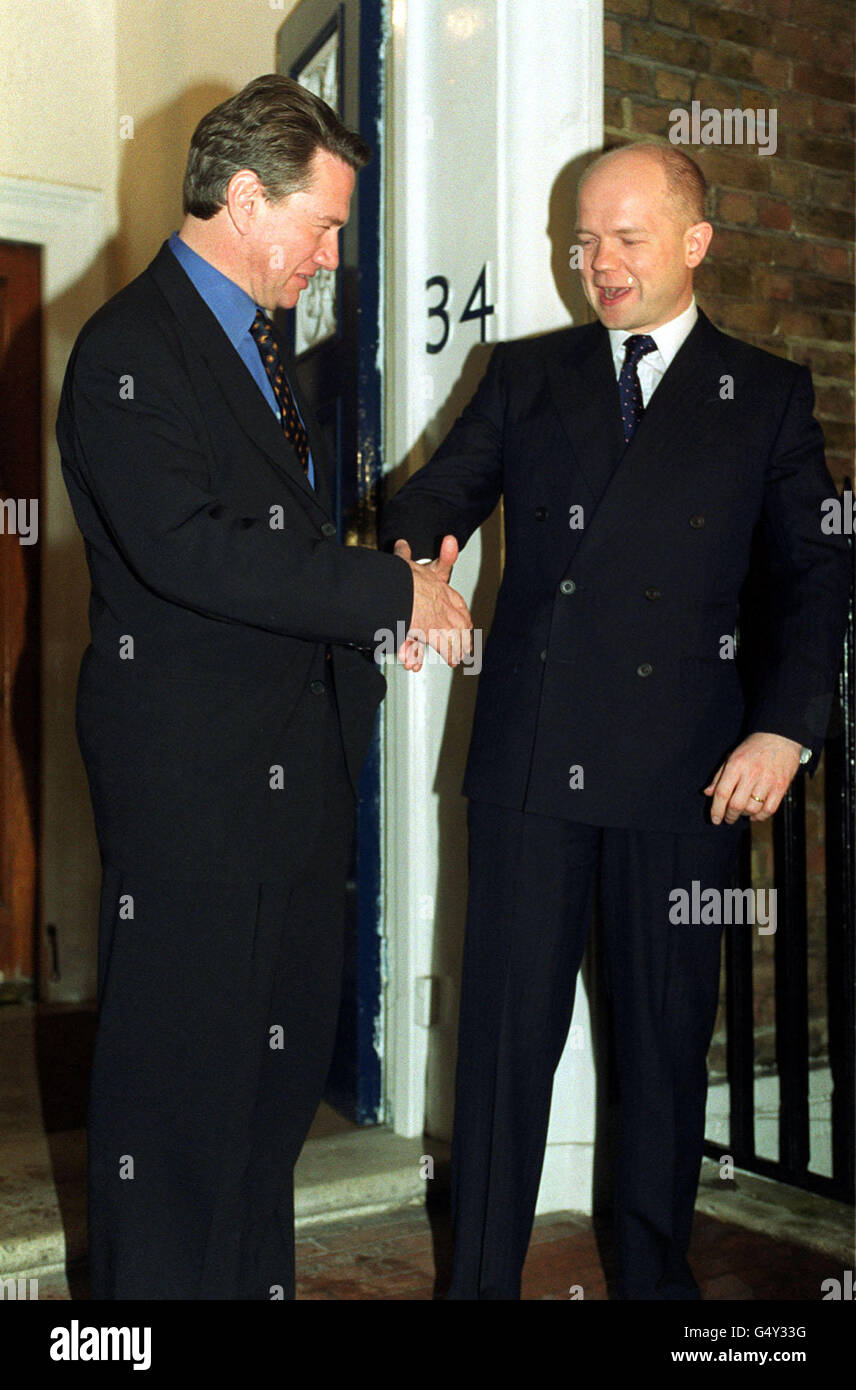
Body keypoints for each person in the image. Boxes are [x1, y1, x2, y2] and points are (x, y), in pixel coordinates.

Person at [380, 141, 851, 1300]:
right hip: (533, 766)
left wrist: (783, 730)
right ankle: (476, 1288)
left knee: (659, 1051)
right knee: (499, 1050)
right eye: (583, 241)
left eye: (626, 239)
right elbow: (433, 492)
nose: (597, 264)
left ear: (696, 242)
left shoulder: (767, 393)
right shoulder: (526, 374)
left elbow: (816, 576)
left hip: (689, 776)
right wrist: (416, 564)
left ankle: (654, 1285)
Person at [56, 73, 471, 1300]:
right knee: (174, 1118)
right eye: (325, 225)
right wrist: (390, 596)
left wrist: (367, 620)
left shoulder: (255, 347)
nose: (333, 256)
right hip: (195, 792)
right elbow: (188, 549)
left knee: (259, 1112)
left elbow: (274, 566)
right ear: (245, 198)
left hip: (284, 786)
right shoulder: (133, 348)